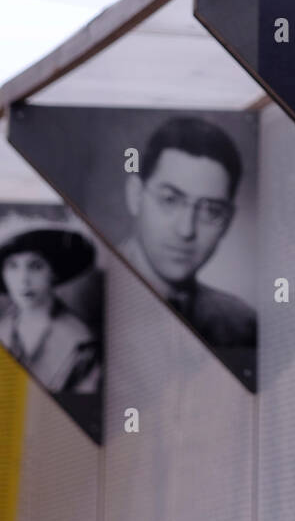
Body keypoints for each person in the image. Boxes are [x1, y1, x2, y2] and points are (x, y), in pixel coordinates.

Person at [120, 116, 256, 378]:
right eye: (170, 200)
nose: (186, 230)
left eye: (211, 211)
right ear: (135, 195)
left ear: (227, 223)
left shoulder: (242, 324)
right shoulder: (83, 304)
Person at [0, 216, 101, 394]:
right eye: (13, 267)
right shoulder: (4, 327)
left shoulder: (81, 344)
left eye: (36, 266)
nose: (23, 280)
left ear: (53, 272)